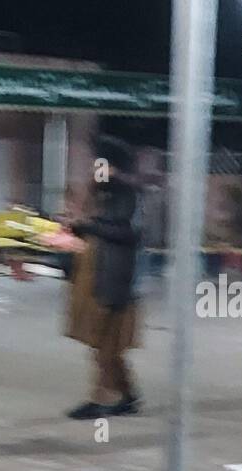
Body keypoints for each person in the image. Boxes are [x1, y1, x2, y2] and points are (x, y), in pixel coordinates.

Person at [59, 135, 143, 420]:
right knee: (107, 345)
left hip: (114, 280)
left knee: (104, 344)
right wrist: (79, 228)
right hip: (100, 276)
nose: (94, 168)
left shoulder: (127, 195)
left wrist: (89, 225)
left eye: (100, 163)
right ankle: (128, 396)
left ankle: (101, 399)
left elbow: (128, 233)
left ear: (113, 166)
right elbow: (103, 230)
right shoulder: (105, 194)